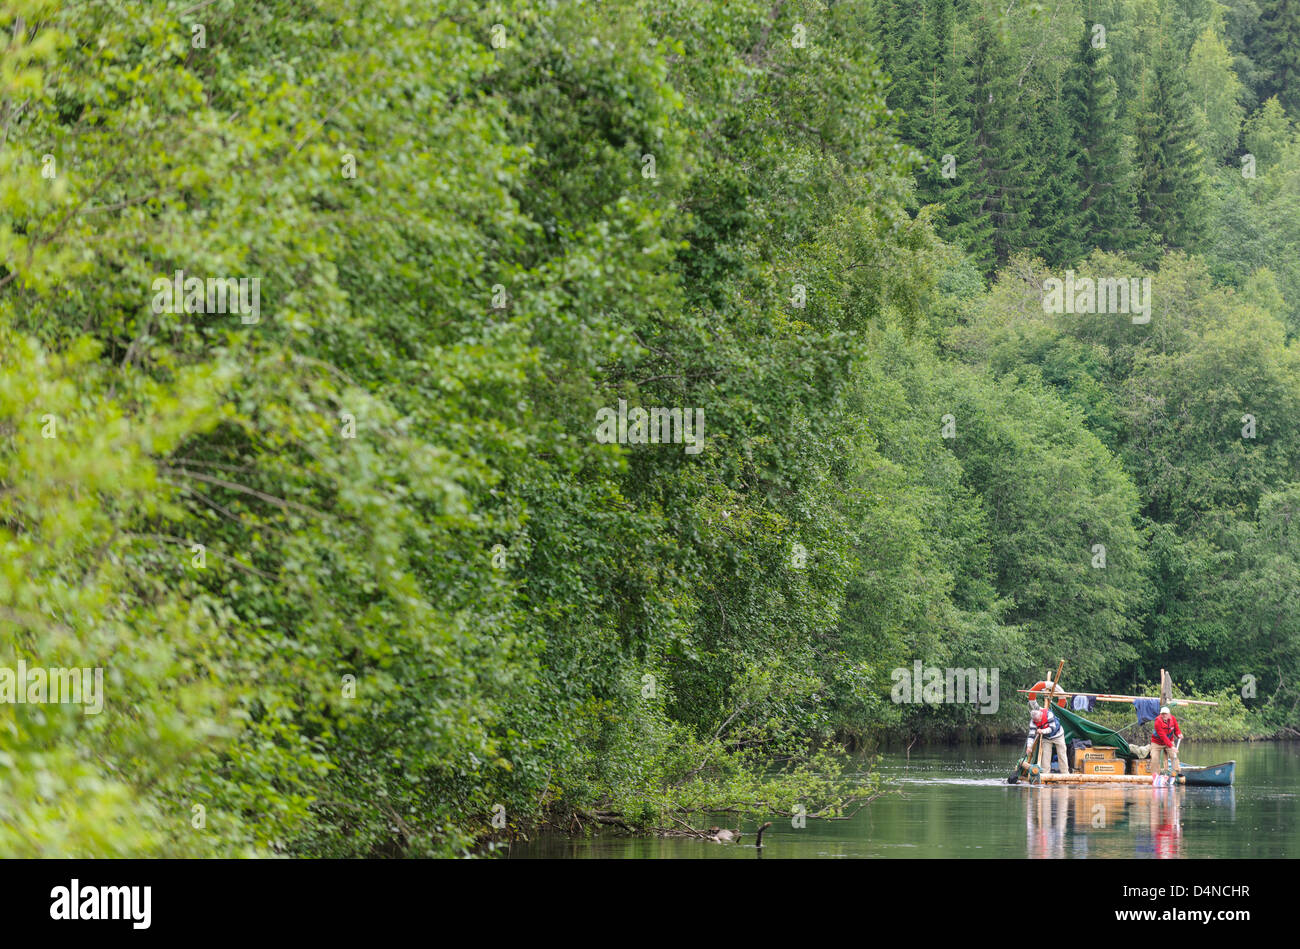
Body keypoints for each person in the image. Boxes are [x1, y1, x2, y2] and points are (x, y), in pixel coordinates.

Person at [1026, 707, 1070, 775]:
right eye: (1035, 720)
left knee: (1062, 754)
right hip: (1046, 738)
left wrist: (1042, 731)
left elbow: (1052, 728)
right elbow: (1031, 735)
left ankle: (1065, 774)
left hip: (1058, 735)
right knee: (1045, 757)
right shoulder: (1033, 722)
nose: (1037, 722)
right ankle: (1045, 774)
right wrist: (1029, 746)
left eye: (1038, 720)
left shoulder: (1049, 714)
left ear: (1041, 715)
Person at [1152, 706, 1182, 775]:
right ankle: (1155, 774)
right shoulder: (1157, 721)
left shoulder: (1173, 719)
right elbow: (1163, 736)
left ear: (1169, 714)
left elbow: (1176, 730)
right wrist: (1172, 746)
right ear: (1160, 714)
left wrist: (1179, 734)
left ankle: (1176, 773)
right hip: (1157, 742)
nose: (1164, 715)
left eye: (1166, 714)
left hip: (1169, 741)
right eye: (1162, 714)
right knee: (1154, 758)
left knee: (1173, 755)